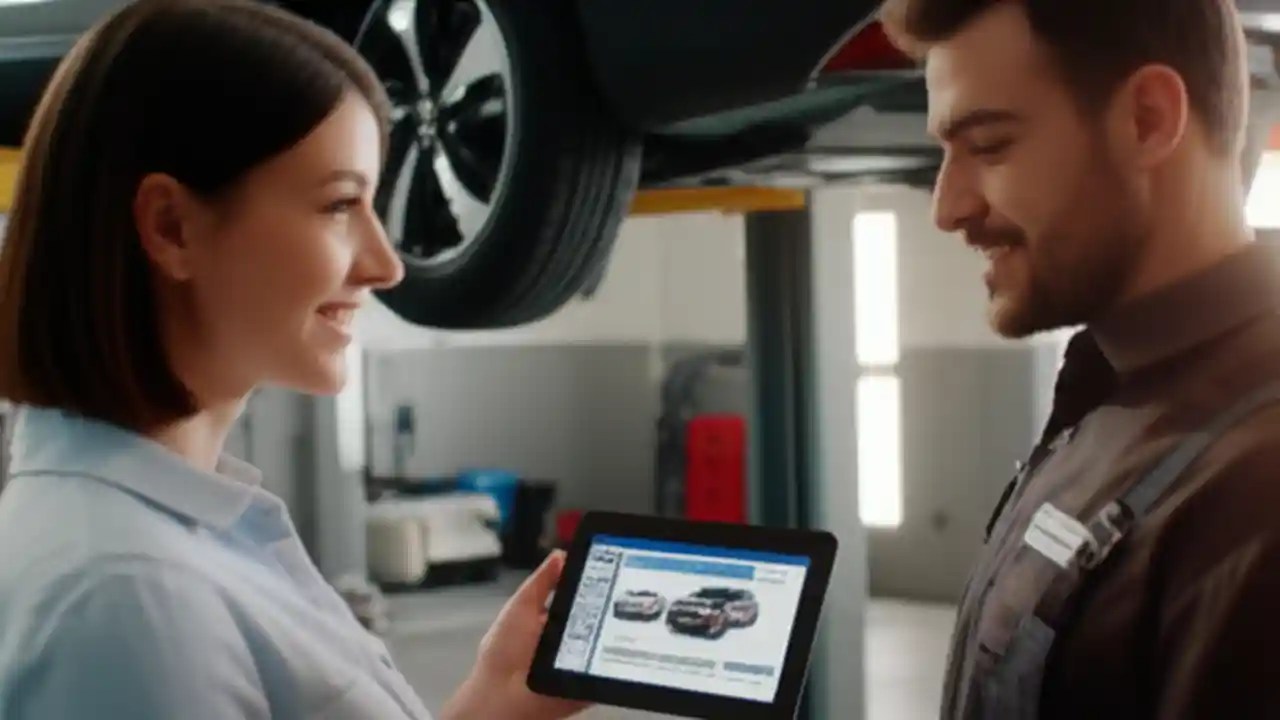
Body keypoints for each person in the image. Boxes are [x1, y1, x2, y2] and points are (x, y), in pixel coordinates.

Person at [0, 1, 587, 718]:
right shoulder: (129, 596)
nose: (384, 264)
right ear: (171, 226)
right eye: (341, 205)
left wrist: (496, 697)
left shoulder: (163, 536)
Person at [881, 0, 1280, 718]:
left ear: (1148, 120)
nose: (948, 207)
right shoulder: (1112, 392)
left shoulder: (1258, 498)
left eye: (991, 145)